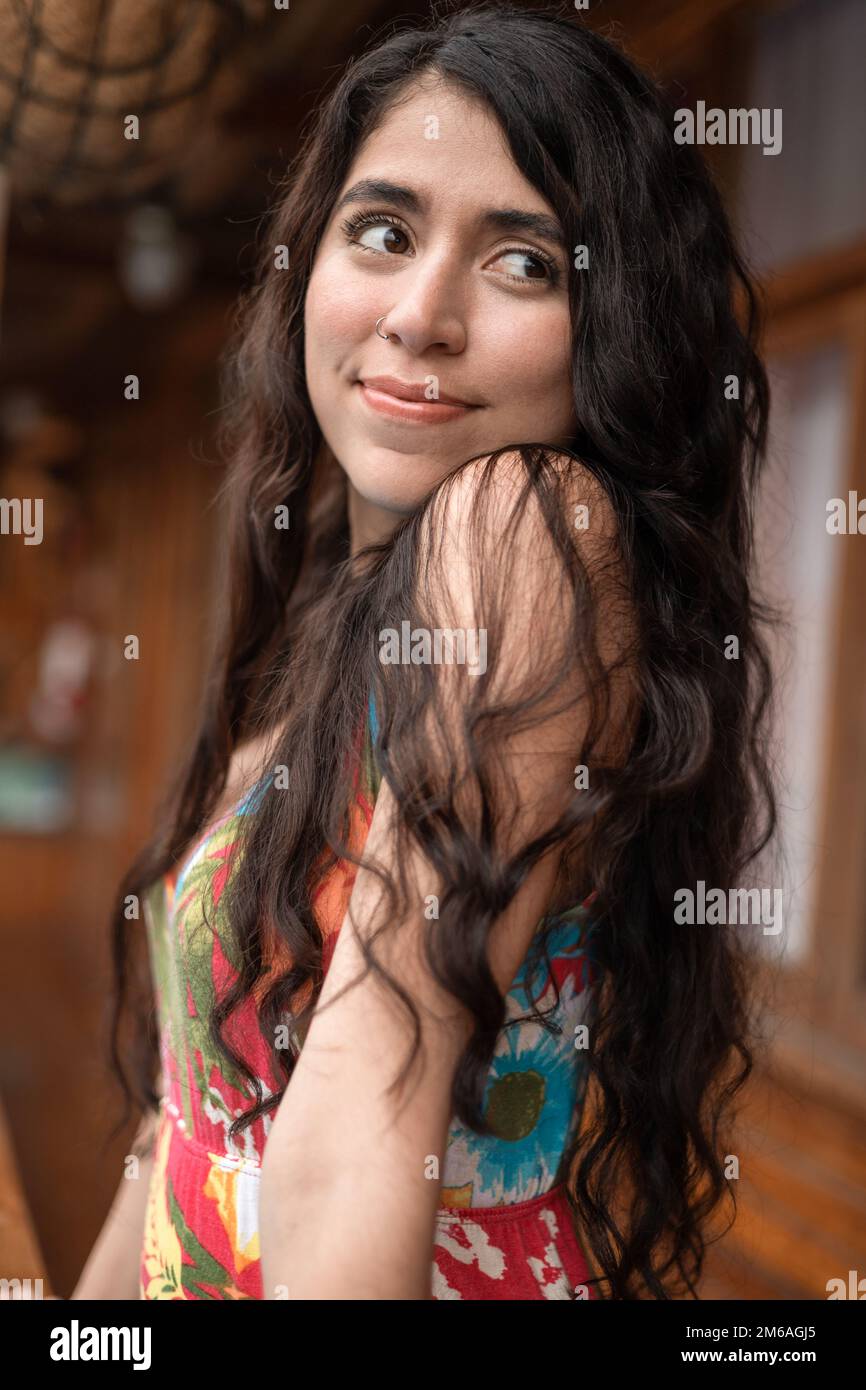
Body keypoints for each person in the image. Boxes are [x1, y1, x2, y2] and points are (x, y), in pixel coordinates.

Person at [73, 1, 776, 1301]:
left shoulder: (523, 532)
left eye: (523, 263)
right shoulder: (331, 602)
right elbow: (181, 1134)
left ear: (616, 329)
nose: (420, 314)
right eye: (382, 232)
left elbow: (356, 1131)